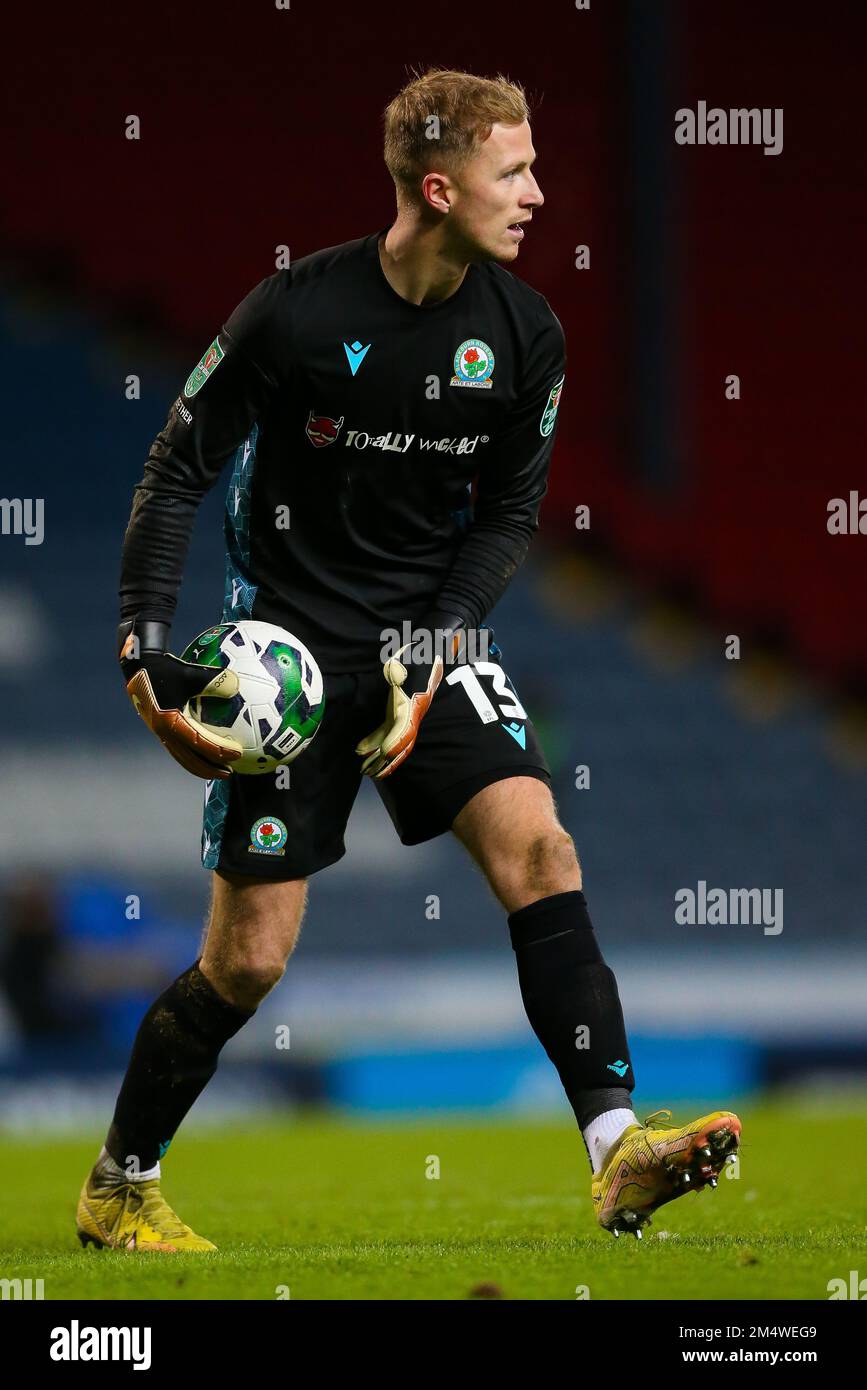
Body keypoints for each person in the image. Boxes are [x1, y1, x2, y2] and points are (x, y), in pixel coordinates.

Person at [77, 67, 740, 1252]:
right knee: (247, 961)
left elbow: (506, 517)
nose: (538, 193)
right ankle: (120, 1182)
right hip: (286, 660)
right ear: (438, 187)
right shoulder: (293, 312)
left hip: (424, 637)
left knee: (541, 843)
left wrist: (435, 644)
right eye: (515, 171)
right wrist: (143, 649)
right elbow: (175, 468)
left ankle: (617, 1150)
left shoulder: (526, 334)